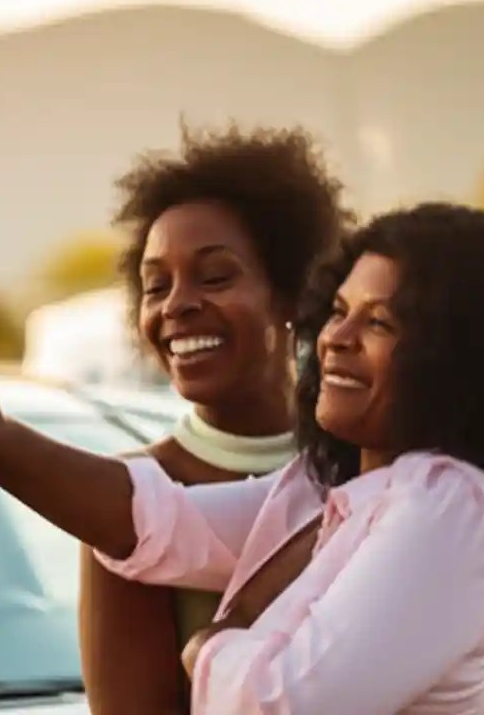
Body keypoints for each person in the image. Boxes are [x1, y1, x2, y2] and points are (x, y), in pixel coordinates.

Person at [0, 203, 484, 713]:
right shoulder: (333, 487)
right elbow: (156, 523)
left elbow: (276, 704)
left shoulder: (449, 505)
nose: (336, 338)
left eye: (378, 322)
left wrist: (210, 649)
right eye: (337, 310)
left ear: (453, 358)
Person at [76, 123, 348, 713]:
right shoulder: (125, 500)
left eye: (215, 275)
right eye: (155, 286)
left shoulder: (368, 469)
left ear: (293, 297)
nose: (176, 304)